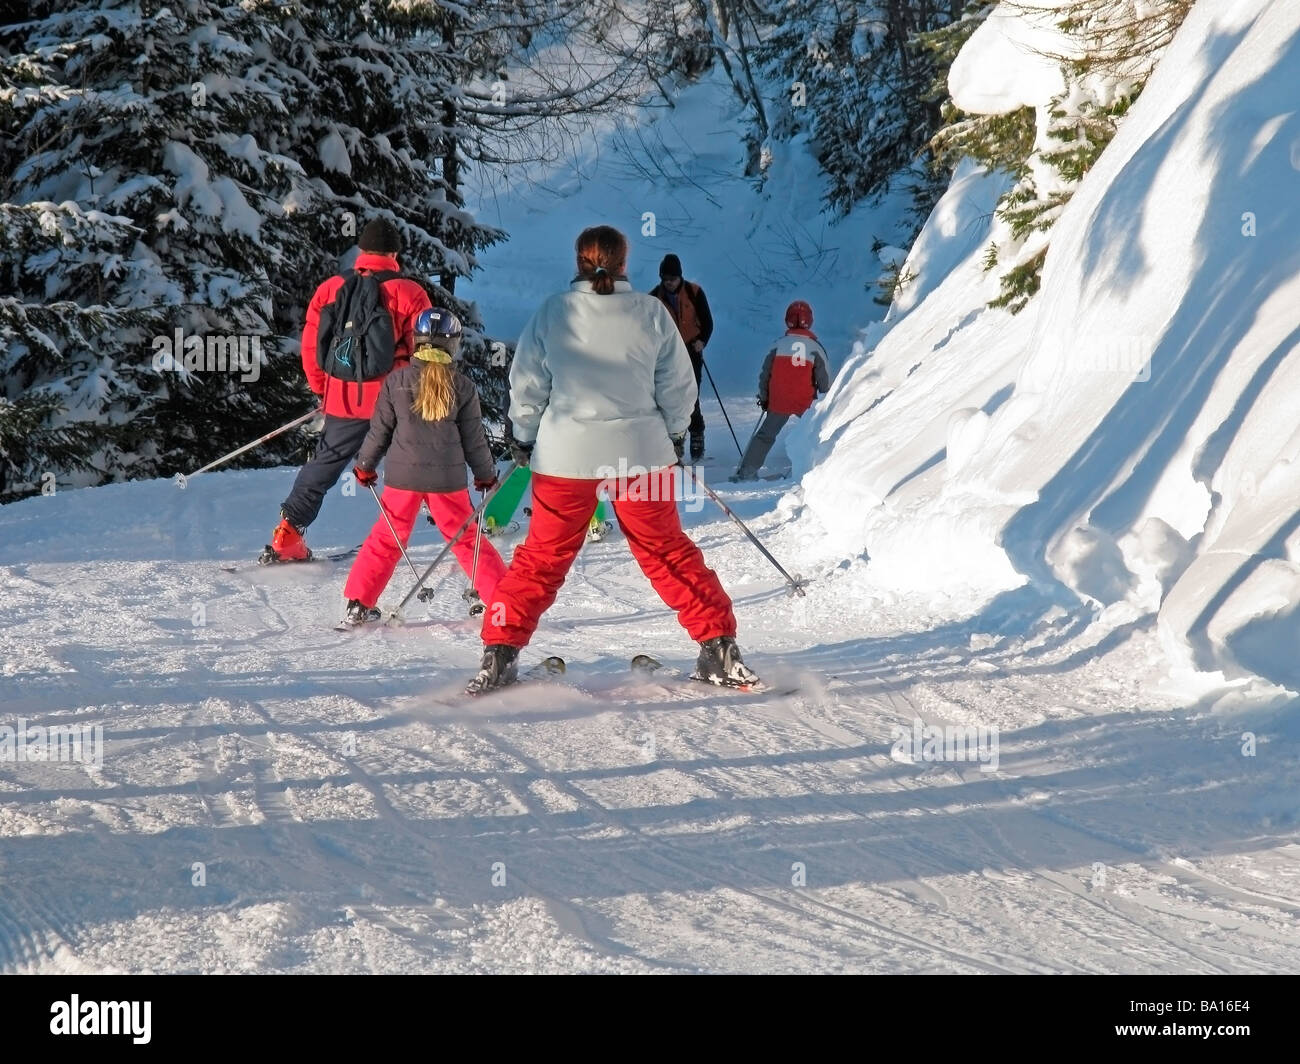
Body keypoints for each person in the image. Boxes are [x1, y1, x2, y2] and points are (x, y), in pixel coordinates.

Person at [466, 226, 759, 694]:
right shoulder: (651, 313)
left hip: (565, 458)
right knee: (666, 550)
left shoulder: (553, 314)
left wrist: (522, 438)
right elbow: (680, 388)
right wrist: (674, 434)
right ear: (624, 263)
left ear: (578, 262)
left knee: (541, 557)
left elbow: (526, 389)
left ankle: (499, 651)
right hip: (641, 456)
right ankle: (719, 645)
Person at [261, 218, 432, 563]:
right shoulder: (410, 292)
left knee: (324, 463)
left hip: (343, 398)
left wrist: (324, 390)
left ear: (362, 251)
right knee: (422, 456)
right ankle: (451, 522)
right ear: (395, 253)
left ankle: (288, 533)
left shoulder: (331, 289)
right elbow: (425, 351)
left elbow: (311, 346)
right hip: (395, 398)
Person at [342, 308, 507, 626]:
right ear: (453, 344)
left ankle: (359, 604)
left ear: (417, 341)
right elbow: (475, 441)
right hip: (447, 480)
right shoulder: (463, 385)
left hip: (403, 478)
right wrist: (486, 475)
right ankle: (504, 601)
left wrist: (365, 465)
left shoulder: (396, 382)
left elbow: (380, 431)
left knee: (387, 538)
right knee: (467, 540)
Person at [731, 300, 830, 481]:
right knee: (815, 433)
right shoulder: (815, 348)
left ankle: (747, 472)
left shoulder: (778, 345)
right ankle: (818, 466)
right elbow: (824, 379)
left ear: (787, 320)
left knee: (765, 436)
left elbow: (765, 374)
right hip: (805, 401)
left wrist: (765, 396)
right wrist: (825, 399)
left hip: (779, 399)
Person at [649, 253, 713, 462]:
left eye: (673, 279)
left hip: (691, 350)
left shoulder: (694, 292)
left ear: (680, 277)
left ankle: (696, 432)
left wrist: (702, 340)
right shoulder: (653, 299)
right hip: (666, 354)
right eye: (665, 279)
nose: (669, 283)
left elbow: (707, 321)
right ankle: (675, 441)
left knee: (690, 394)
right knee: (667, 395)